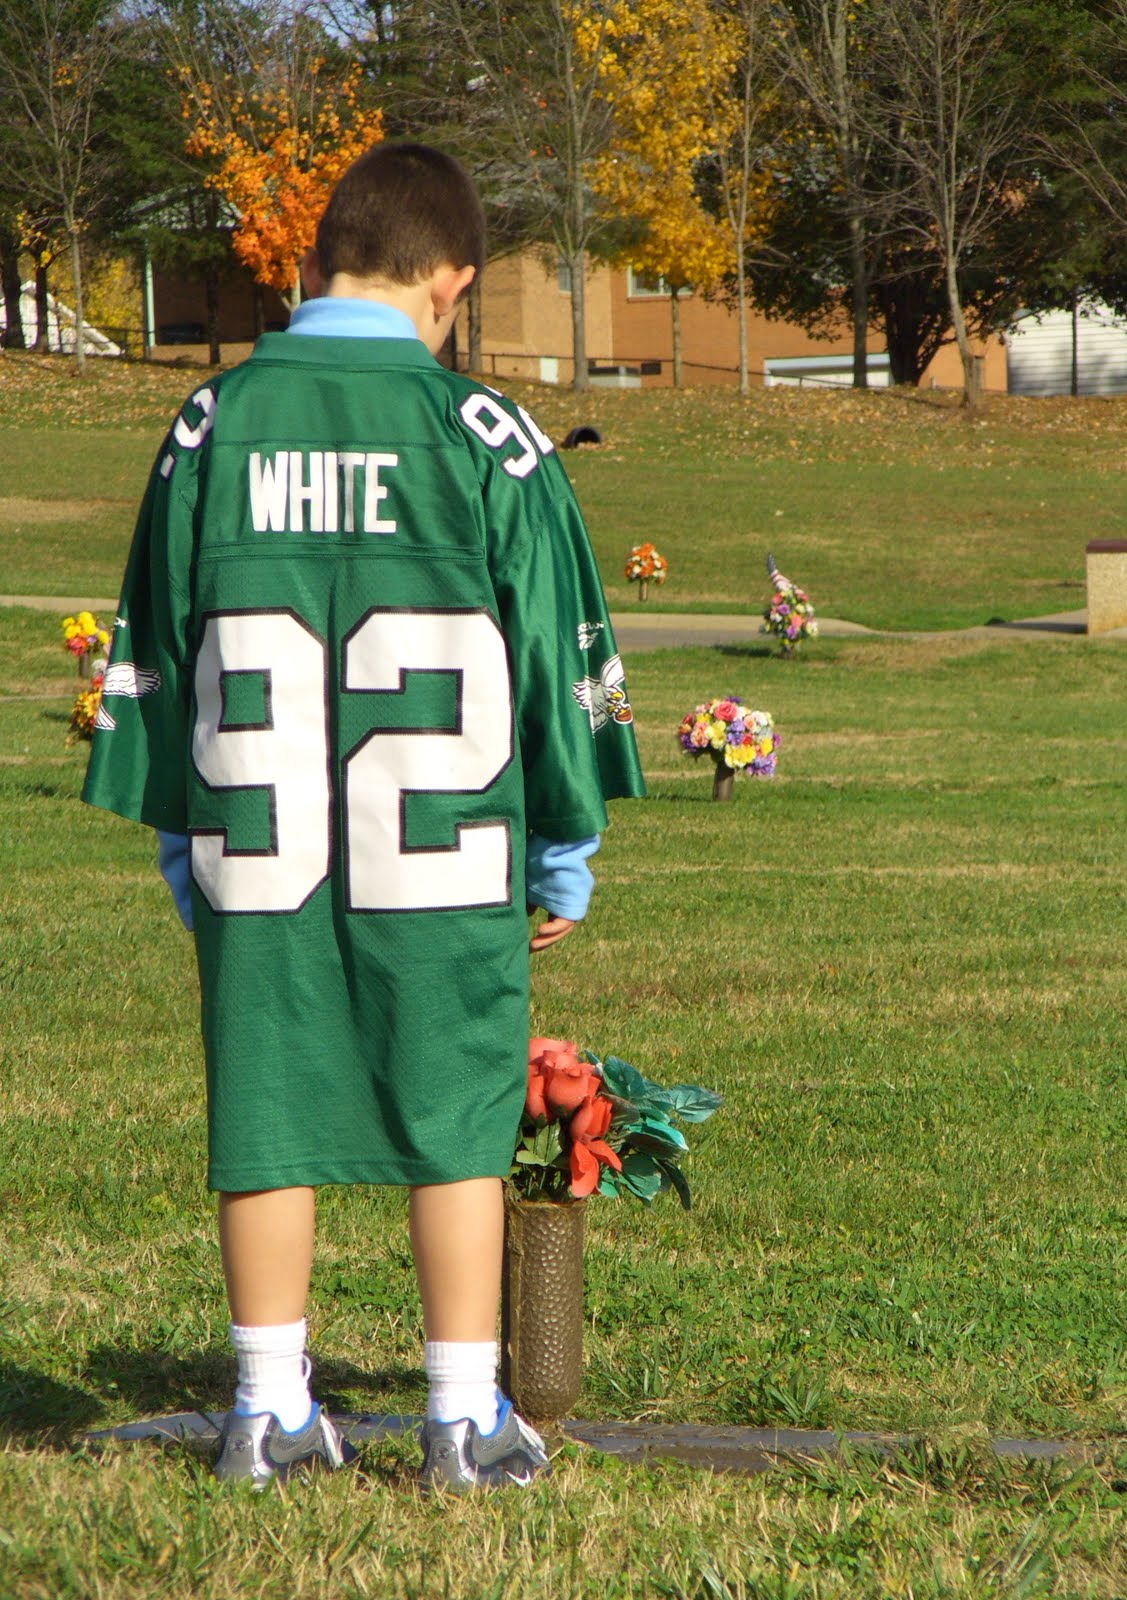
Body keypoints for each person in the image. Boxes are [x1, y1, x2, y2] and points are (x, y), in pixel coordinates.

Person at [81, 142, 645, 1492]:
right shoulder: (491, 439)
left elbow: (159, 644)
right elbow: (553, 671)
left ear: (313, 262)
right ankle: (462, 1417)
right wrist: (564, 854)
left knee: (266, 1108)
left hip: (257, 852)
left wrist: (181, 838)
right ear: (453, 284)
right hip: (442, 859)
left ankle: (265, 1408)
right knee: (452, 1111)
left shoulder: (210, 427)